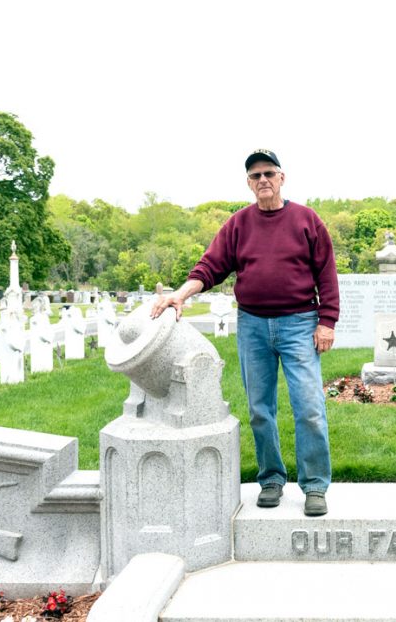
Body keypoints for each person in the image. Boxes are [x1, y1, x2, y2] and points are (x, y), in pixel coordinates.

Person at [150, 149, 338, 517]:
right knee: (259, 409)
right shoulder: (238, 225)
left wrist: (326, 321)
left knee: (310, 407)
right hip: (253, 326)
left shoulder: (306, 220)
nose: (263, 180)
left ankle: (315, 485)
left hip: (300, 324)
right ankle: (271, 479)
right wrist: (179, 294)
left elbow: (326, 274)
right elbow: (210, 267)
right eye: (255, 176)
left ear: (282, 177)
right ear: (248, 183)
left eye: (269, 173)